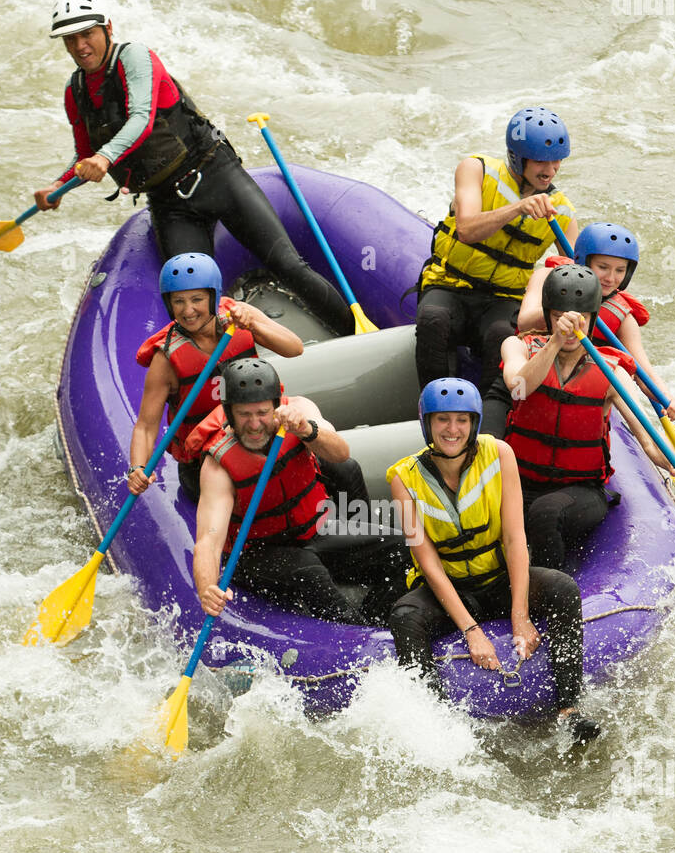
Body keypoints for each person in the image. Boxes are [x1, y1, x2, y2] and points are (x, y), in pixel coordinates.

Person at [35, 0, 353, 336]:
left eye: (87, 34)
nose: (80, 46)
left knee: (287, 264)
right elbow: (84, 157)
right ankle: (226, 382)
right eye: (70, 39)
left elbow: (141, 118)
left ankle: (357, 331)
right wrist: (59, 185)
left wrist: (105, 156)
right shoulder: (75, 90)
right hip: (171, 204)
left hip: (215, 173)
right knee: (191, 300)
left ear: (107, 28)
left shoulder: (135, 58)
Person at [386, 378, 601, 742]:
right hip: (451, 587)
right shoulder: (402, 479)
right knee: (404, 618)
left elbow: (515, 538)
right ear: (427, 424)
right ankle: (437, 729)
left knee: (563, 588)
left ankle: (569, 708)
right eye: (442, 420)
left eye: (462, 420)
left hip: (499, 578)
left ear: (474, 423)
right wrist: (471, 631)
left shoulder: (500, 454)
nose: (452, 430)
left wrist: (521, 616)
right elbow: (428, 564)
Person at [501, 264, 675, 571]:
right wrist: (554, 342)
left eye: (581, 320)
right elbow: (519, 388)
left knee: (545, 513)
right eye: (559, 318)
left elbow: (646, 438)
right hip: (521, 481)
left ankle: (547, 589)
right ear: (549, 316)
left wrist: (674, 465)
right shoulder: (518, 347)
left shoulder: (611, 372)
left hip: (581, 490)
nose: (570, 329)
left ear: (591, 320)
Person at [191, 359, 408, 626]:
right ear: (229, 413)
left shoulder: (300, 411)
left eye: (262, 413)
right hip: (258, 553)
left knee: (404, 548)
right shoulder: (218, 466)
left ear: (276, 406)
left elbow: (341, 454)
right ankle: (354, 634)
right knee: (308, 570)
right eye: (244, 414)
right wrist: (206, 587)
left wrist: (307, 430)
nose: (255, 424)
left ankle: (375, 617)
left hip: (313, 530)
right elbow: (208, 542)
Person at [413, 107, 578, 411]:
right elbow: (466, 229)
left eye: (557, 161)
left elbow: (579, 274)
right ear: (518, 157)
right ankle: (436, 409)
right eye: (542, 160)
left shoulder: (562, 211)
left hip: (503, 299)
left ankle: (488, 419)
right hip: (450, 284)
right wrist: (518, 208)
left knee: (502, 336)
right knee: (433, 320)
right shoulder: (475, 170)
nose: (551, 169)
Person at [128, 252, 303, 504]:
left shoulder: (238, 316)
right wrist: (137, 468)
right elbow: (146, 425)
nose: (188, 311)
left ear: (213, 297)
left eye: (197, 299)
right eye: (179, 301)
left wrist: (252, 325)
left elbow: (294, 348)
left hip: (256, 432)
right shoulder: (165, 360)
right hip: (205, 459)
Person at [515, 220, 675, 419]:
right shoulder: (546, 278)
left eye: (620, 270)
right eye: (603, 267)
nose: (611, 278)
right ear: (583, 261)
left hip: (583, 388)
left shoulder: (623, 317)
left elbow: (642, 371)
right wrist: (567, 304)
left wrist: (667, 400)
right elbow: (523, 323)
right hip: (534, 371)